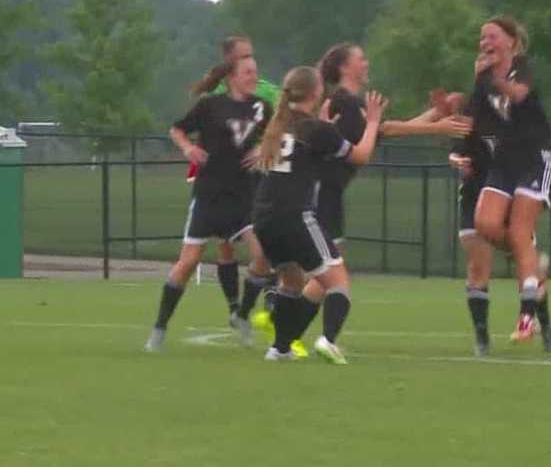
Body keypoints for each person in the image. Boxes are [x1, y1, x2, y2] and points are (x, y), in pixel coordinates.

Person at [277, 43, 468, 357]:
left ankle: (284, 338)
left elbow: (381, 130)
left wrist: (436, 114)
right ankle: (308, 333)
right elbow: (384, 128)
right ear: (344, 68)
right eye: (360, 59)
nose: (366, 63)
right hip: (321, 192)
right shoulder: (343, 101)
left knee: (326, 274)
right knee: (330, 272)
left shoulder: (353, 104)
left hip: (329, 192)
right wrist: (437, 125)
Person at [251, 66, 385, 363]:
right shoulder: (315, 130)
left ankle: (280, 349)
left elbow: (305, 156)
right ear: (316, 93)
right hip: (294, 214)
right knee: (338, 282)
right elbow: (360, 155)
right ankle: (328, 340)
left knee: (292, 282)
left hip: (263, 218)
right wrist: (373, 123)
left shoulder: (281, 125)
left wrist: (325, 126)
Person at [144, 56, 274, 351]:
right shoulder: (210, 106)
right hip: (209, 195)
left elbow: (278, 134)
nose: (254, 76)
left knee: (263, 256)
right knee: (187, 263)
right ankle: (159, 329)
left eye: (255, 71)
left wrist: (263, 148)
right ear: (231, 77)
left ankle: (241, 315)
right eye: (248, 72)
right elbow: (177, 130)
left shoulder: (261, 108)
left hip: (243, 197)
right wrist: (189, 147)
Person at [464, 16, 551, 348]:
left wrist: (490, 76)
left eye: (491, 37)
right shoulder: (483, 78)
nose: (485, 43)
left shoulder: (522, 67)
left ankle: (526, 316)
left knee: (520, 232)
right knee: (485, 223)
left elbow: (518, 95)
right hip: (504, 160)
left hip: (534, 157)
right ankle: (532, 263)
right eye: (482, 38)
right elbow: (472, 120)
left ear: (509, 41)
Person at [185, 36, 282, 327]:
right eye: (244, 56)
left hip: (255, 173)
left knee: (263, 236)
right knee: (224, 243)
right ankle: (234, 306)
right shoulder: (215, 93)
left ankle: (269, 297)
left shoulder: (265, 91)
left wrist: (262, 146)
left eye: (251, 55)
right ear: (230, 60)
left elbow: (280, 122)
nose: (250, 61)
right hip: (219, 177)